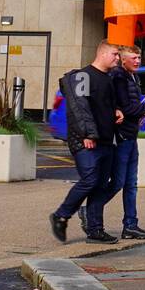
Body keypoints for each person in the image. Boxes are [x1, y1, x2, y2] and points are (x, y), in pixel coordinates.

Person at [50, 41, 124, 244]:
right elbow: (79, 109)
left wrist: (115, 111)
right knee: (90, 181)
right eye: (115, 54)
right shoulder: (82, 76)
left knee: (100, 186)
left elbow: (102, 105)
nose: (118, 58)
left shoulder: (107, 79)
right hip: (86, 140)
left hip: (106, 140)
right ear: (102, 53)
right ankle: (61, 215)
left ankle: (95, 230)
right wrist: (88, 135)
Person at [107, 45, 145, 241]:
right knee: (118, 182)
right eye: (133, 58)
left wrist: (140, 111)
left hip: (130, 134)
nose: (137, 61)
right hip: (122, 136)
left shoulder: (132, 77)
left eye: (139, 57)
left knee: (131, 184)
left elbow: (130, 107)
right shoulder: (119, 76)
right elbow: (128, 107)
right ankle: (89, 210)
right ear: (123, 59)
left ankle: (130, 225)